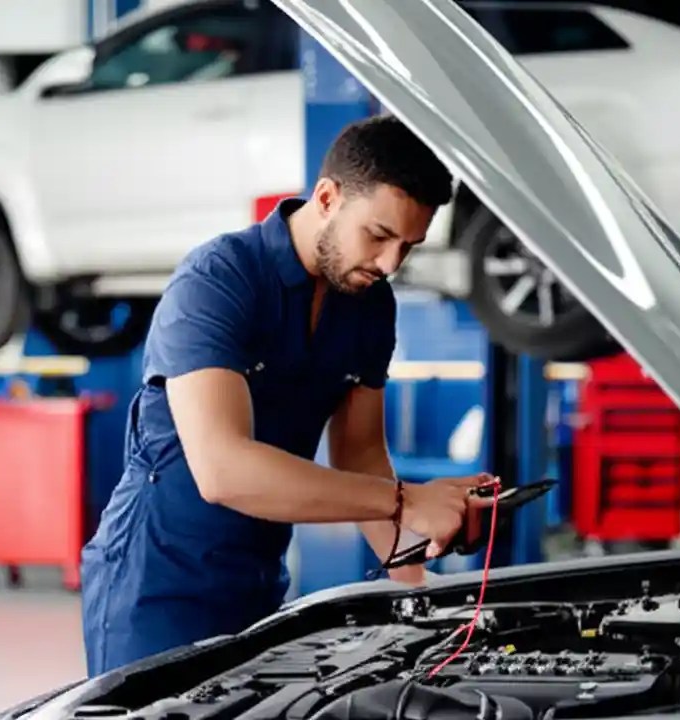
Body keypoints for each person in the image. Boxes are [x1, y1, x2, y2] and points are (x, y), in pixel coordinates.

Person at [79, 115, 494, 677]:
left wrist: (420, 584)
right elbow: (223, 470)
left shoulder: (370, 305)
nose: (391, 263)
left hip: (260, 583)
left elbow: (362, 454)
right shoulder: (217, 280)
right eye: (378, 235)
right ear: (327, 197)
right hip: (157, 585)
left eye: (408, 246)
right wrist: (406, 502)